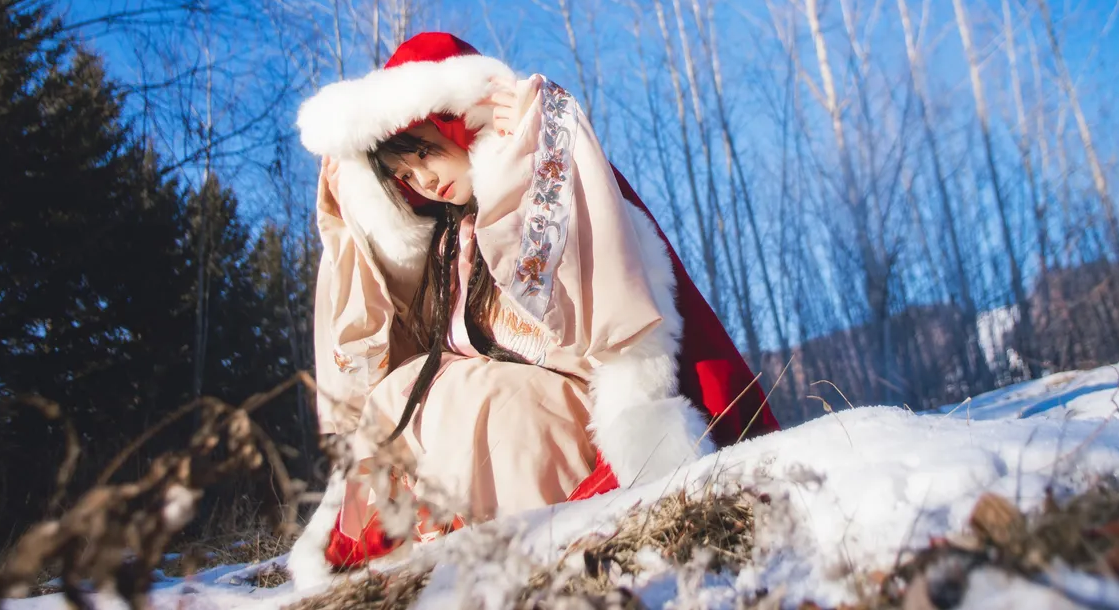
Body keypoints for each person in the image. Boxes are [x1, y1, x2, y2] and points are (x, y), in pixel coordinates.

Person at [287, 32, 778, 586]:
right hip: (491, 432)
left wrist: (525, 154)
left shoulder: (540, 189)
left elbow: (595, 300)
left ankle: (519, 551)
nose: (422, 178)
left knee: (485, 395)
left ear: (459, 120)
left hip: (560, 422)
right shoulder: (448, 245)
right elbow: (385, 303)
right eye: (404, 175)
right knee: (401, 392)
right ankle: (437, 554)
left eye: (425, 150)